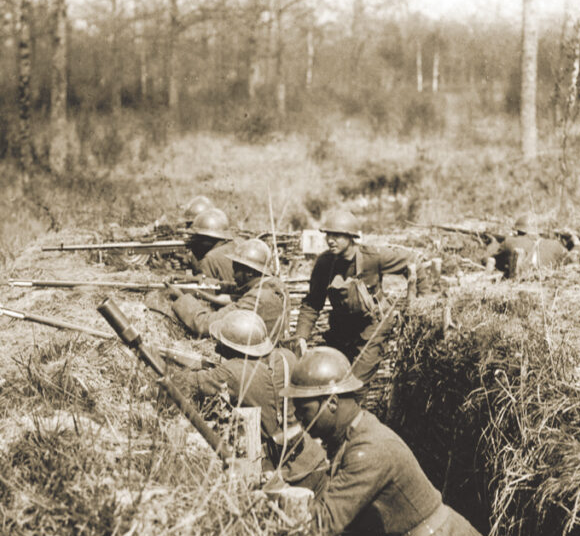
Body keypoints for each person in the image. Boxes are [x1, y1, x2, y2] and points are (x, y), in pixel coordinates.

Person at [280, 347, 485, 536]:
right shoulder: (354, 437)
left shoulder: (368, 450)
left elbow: (324, 523)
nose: (300, 420)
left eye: (304, 410)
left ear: (330, 402)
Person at [170, 310, 327, 491]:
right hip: (313, 459)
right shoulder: (287, 357)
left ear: (233, 347)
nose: (217, 347)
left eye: (221, 343)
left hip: (281, 474)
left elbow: (186, 384)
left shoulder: (233, 372)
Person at [294, 209, 419, 385]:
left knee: (356, 384)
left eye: (337, 235)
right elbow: (313, 303)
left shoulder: (373, 257)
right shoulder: (324, 263)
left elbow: (415, 261)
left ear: (351, 237)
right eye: (328, 235)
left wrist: (418, 300)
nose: (330, 240)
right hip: (342, 328)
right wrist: (301, 336)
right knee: (328, 377)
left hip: (373, 326)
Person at [170, 238, 291, 342]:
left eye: (236, 269)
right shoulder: (272, 285)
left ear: (249, 272)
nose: (233, 275)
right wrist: (197, 281)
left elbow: (205, 324)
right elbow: (231, 288)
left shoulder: (257, 299)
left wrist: (181, 298)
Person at [183, 208, 241, 285]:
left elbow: (202, 290)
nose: (195, 241)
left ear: (207, 238)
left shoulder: (210, 259)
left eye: (198, 237)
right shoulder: (237, 246)